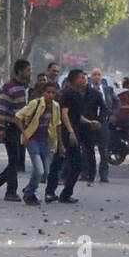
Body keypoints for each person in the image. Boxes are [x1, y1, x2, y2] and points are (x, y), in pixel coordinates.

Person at [53, 70, 97, 204]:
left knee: (68, 163)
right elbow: (64, 114)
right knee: (68, 163)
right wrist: (71, 131)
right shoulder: (68, 94)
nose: (85, 80)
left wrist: (90, 122)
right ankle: (56, 192)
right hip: (67, 134)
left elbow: (77, 115)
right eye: (82, 78)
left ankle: (63, 193)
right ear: (74, 80)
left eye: (85, 78)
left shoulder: (77, 94)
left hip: (74, 133)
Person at [0, 59, 31, 201]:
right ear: (19, 71)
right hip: (9, 126)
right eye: (27, 70)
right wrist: (0, 128)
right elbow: (2, 109)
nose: (29, 73)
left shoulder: (22, 87)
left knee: (17, 160)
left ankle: (0, 182)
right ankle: (9, 190)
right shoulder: (9, 87)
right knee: (14, 160)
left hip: (19, 127)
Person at [16, 81, 62, 206]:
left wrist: (61, 144)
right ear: (43, 93)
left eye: (53, 93)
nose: (50, 95)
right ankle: (30, 193)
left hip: (46, 141)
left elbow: (57, 124)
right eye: (48, 92)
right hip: (33, 140)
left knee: (46, 171)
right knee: (39, 169)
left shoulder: (56, 106)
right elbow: (18, 117)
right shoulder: (35, 103)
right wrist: (24, 132)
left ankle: (29, 189)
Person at [87, 67, 117, 183]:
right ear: (91, 77)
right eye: (94, 75)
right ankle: (89, 174)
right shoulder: (87, 90)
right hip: (89, 122)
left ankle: (104, 175)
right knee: (87, 150)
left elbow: (116, 101)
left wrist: (114, 114)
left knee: (103, 149)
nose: (97, 77)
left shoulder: (107, 90)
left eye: (99, 75)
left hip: (103, 122)